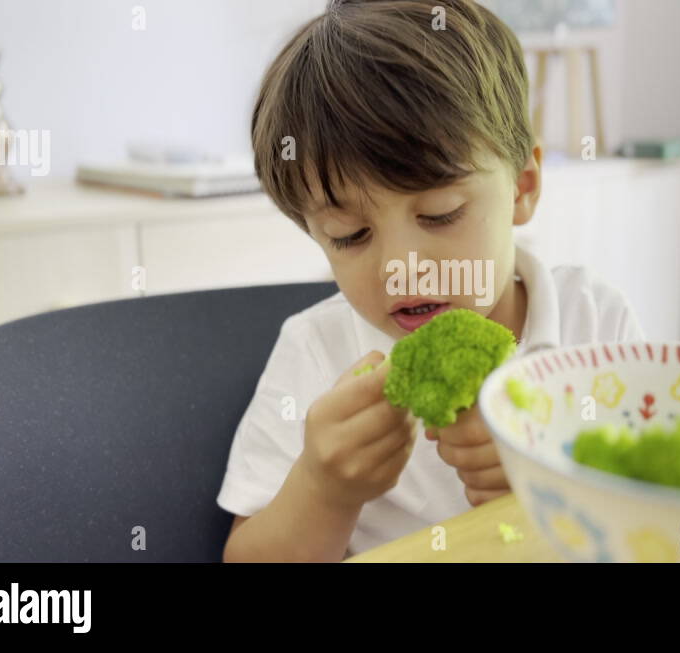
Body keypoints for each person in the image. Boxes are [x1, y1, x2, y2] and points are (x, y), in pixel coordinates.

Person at [219, 0, 645, 562]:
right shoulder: (316, 353)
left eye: (441, 214)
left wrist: (552, 479)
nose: (403, 268)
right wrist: (324, 491)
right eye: (350, 235)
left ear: (522, 187)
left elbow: (655, 516)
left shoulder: (594, 322)